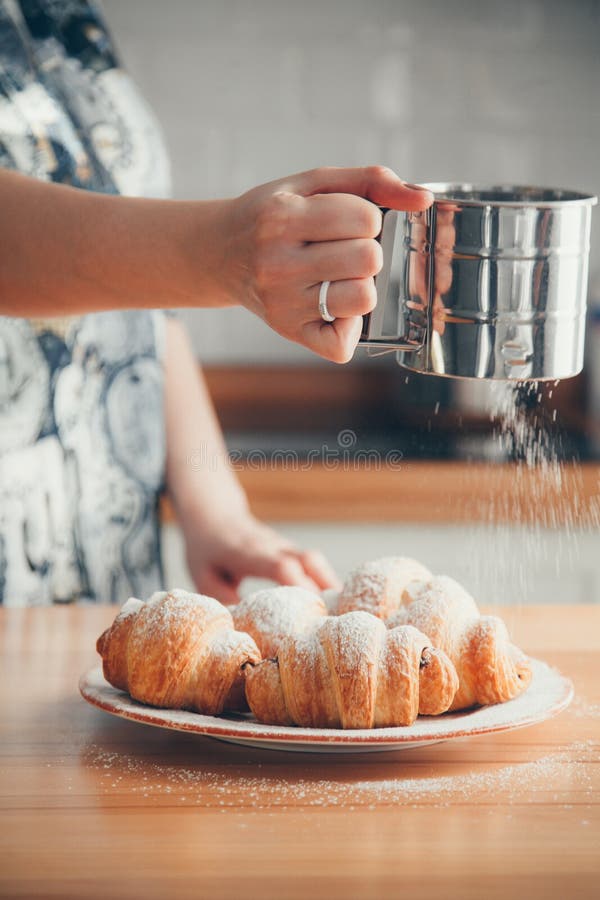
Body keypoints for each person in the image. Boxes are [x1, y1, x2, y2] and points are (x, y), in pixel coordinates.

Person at [0, 0, 433, 606]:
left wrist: (217, 512)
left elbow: (139, 310)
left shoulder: (60, 20)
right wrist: (224, 251)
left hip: (107, 580)